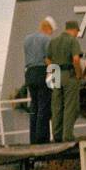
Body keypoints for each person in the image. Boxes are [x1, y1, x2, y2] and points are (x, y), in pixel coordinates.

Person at [46, 20, 84, 141]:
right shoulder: (72, 41)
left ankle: (57, 135)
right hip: (69, 74)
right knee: (70, 106)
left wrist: (54, 71)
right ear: (73, 29)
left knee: (56, 105)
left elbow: (47, 59)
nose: (77, 34)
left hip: (56, 74)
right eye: (77, 31)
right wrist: (78, 74)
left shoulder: (53, 41)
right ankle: (67, 135)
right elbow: (76, 59)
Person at [23, 16, 56, 144]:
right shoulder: (47, 39)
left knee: (34, 106)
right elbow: (48, 59)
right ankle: (42, 138)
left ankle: (33, 138)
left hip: (30, 73)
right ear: (48, 28)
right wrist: (55, 80)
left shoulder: (27, 39)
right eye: (52, 30)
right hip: (42, 72)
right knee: (44, 106)